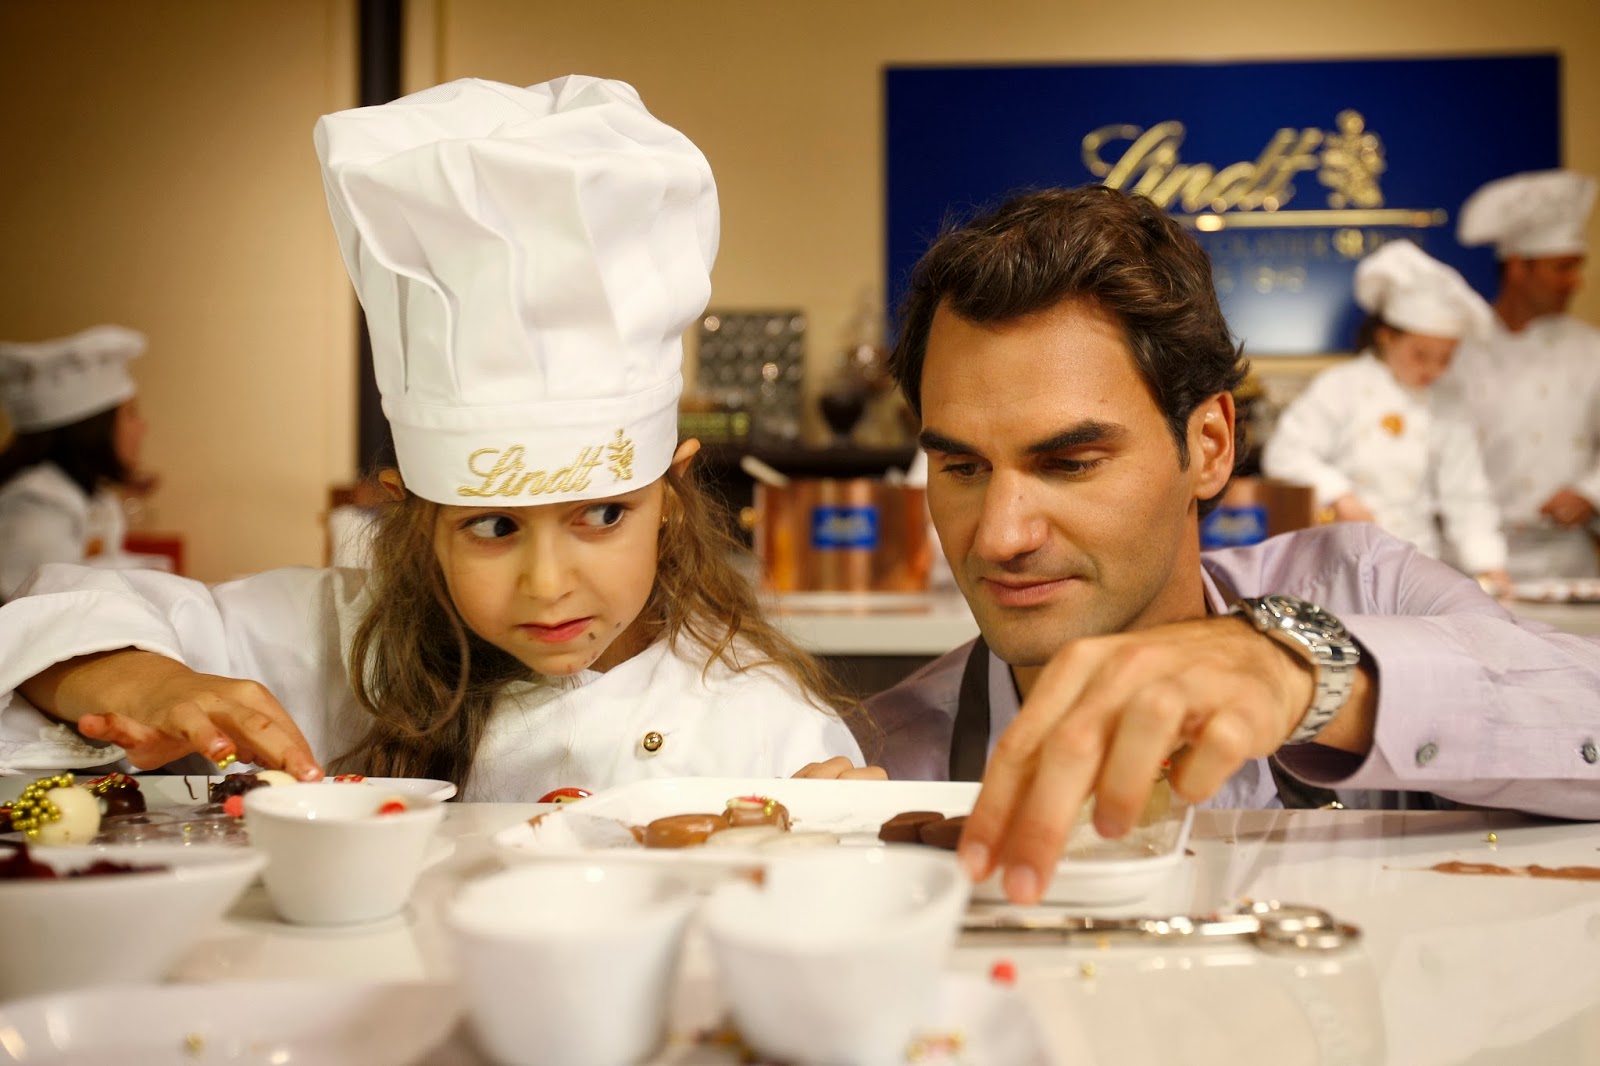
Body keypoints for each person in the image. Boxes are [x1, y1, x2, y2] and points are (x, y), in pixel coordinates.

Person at [0, 76, 873, 797]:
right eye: (491, 527)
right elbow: (50, 620)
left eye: (602, 515)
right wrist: (150, 682)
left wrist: (847, 835)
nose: (548, 584)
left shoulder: (760, 717)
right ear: (413, 513)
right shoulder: (345, 648)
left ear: (671, 498)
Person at [866, 185, 1600, 904]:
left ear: (1210, 446)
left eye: (1070, 465)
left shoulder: (1365, 588)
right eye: (962, 468)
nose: (1000, 536)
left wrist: (1311, 676)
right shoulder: (891, 760)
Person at [1263, 239, 1509, 592]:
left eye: (1445, 358)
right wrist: (1340, 495)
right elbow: (1285, 454)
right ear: (1386, 337)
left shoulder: (1448, 405)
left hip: (1419, 565)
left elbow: (1466, 495)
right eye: (1421, 354)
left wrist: (1489, 565)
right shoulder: (1341, 386)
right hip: (1342, 564)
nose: (1433, 369)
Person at [1447, 169, 1600, 581]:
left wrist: (1591, 491)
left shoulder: (1592, 350)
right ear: (1518, 268)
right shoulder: (1456, 351)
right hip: (1468, 563)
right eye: (1562, 268)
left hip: (1566, 564)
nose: (1576, 281)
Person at [0, 326, 159, 600]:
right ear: (94, 427)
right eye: (131, 414)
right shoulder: (33, 512)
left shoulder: (94, 498)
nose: (142, 428)